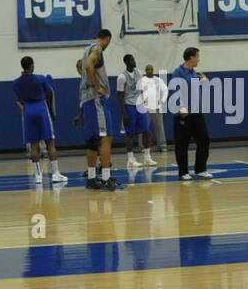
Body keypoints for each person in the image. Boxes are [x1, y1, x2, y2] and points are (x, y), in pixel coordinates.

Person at [79, 29, 124, 191]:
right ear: (107, 38)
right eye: (109, 42)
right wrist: (98, 86)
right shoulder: (97, 48)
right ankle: (106, 178)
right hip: (96, 99)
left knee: (93, 140)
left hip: (86, 99)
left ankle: (91, 179)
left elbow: (81, 65)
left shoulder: (86, 49)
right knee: (107, 138)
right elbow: (88, 65)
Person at [14, 56, 69, 186]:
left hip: (28, 110)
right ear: (32, 65)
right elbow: (49, 92)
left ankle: (38, 176)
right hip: (40, 108)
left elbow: (19, 97)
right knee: (50, 142)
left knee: (34, 144)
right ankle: (55, 174)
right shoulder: (40, 78)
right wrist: (50, 108)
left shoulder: (16, 82)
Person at [170, 47, 212, 181]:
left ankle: (200, 169)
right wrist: (181, 107)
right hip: (184, 114)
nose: (199, 59)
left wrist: (203, 83)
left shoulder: (195, 73)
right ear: (191, 58)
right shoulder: (178, 72)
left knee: (204, 140)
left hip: (197, 112)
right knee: (182, 144)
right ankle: (183, 172)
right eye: (198, 56)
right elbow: (176, 90)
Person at [117, 54, 157, 169]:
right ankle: (130, 159)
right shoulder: (122, 77)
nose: (133, 61)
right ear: (126, 62)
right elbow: (120, 95)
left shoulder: (139, 73)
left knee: (146, 131)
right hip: (129, 106)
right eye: (130, 60)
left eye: (133, 59)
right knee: (130, 134)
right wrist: (124, 113)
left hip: (140, 105)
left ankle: (147, 157)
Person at [139, 64, 169, 152]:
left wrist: (162, 100)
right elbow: (138, 93)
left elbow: (165, 90)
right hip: (145, 109)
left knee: (159, 128)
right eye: (147, 69)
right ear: (145, 71)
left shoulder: (158, 80)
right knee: (144, 129)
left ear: (153, 70)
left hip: (156, 108)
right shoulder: (142, 81)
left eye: (151, 69)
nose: (149, 71)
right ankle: (143, 147)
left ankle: (162, 146)